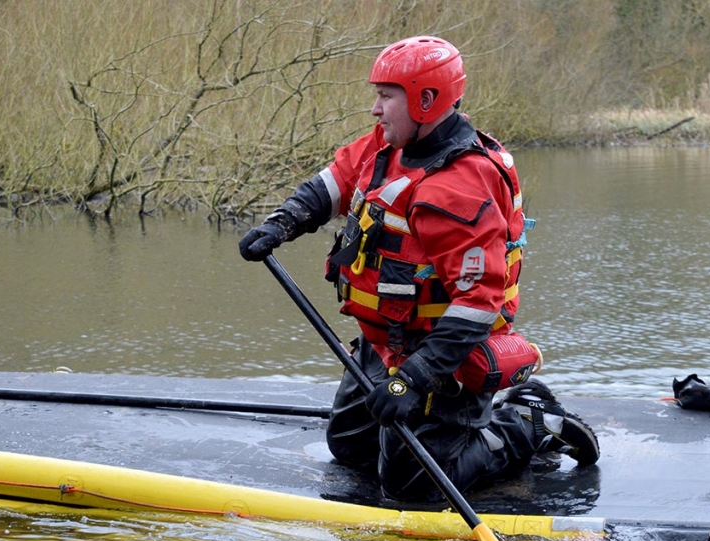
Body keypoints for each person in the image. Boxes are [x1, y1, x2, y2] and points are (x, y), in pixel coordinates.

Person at [238, 36, 599, 502]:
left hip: (442, 352)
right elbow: (337, 180)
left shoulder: (458, 187)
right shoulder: (388, 145)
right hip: (385, 337)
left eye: (387, 97)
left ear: (426, 101)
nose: (375, 109)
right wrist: (283, 222)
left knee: (416, 489)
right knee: (350, 447)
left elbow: (477, 305)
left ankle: (529, 421)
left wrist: (413, 378)